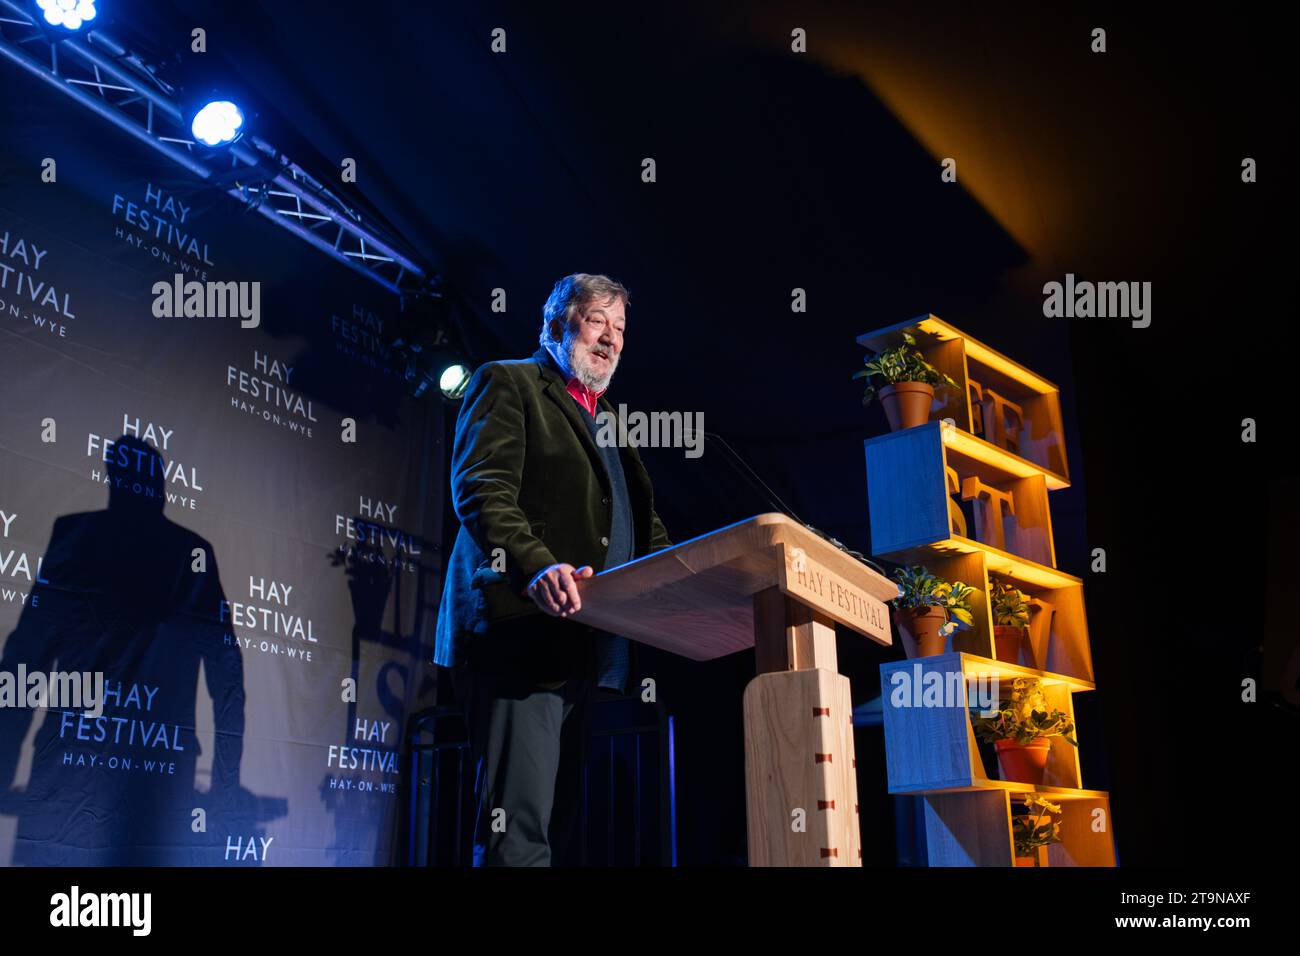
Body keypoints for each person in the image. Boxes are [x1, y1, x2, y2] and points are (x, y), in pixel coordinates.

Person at [434, 272, 672, 866]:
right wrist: (537, 567)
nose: (611, 340)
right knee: (517, 837)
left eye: (621, 329)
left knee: (556, 834)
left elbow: (644, 531)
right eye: (597, 321)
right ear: (555, 323)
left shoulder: (612, 422)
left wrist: (696, 582)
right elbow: (484, 492)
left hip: (587, 650)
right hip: (520, 637)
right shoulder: (507, 383)